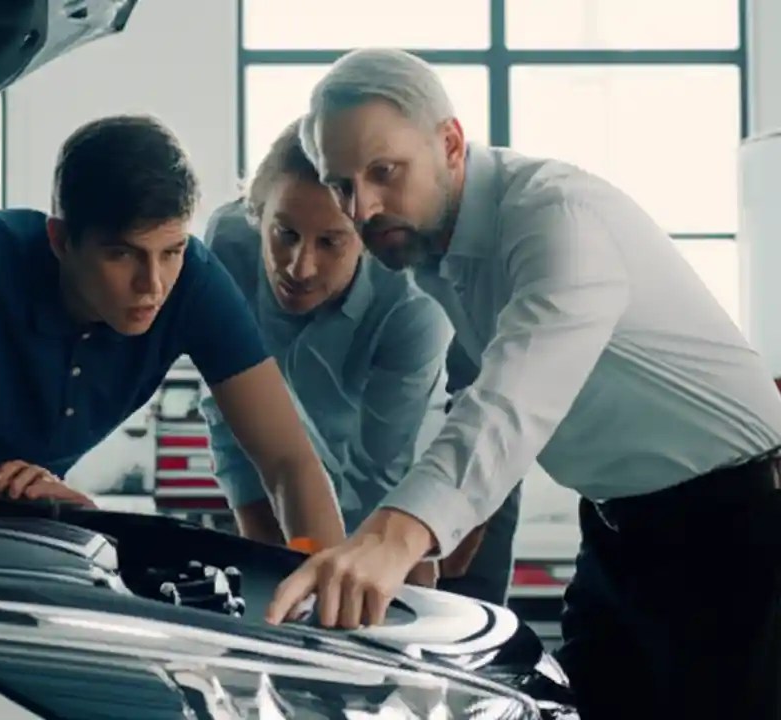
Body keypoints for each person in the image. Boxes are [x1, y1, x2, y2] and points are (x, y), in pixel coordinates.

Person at [264, 48, 781, 719]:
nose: (362, 206)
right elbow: (479, 383)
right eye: (343, 185)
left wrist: (391, 539)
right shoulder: (432, 251)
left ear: (449, 142)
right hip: (618, 533)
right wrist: (458, 519)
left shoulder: (555, 217)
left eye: (384, 171)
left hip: (743, 529)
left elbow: (513, 398)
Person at [0, 113, 347, 549]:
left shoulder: (193, 281)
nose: (152, 284)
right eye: (122, 254)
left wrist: (314, 578)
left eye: (170, 251)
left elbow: (286, 462)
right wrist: (3, 486)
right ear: (60, 240)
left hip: (18, 522)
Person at [198, 117, 520, 604]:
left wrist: (367, 578)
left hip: (451, 450)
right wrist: (288, 561)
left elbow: (380, 474)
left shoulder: (414, 296)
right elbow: (231, 421)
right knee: (287, 584)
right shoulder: (227, 243)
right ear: (257, 213)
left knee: (436, 621)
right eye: (284, 234)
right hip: (321, 449)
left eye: (330, 242)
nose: (298, 267)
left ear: (368, 237)